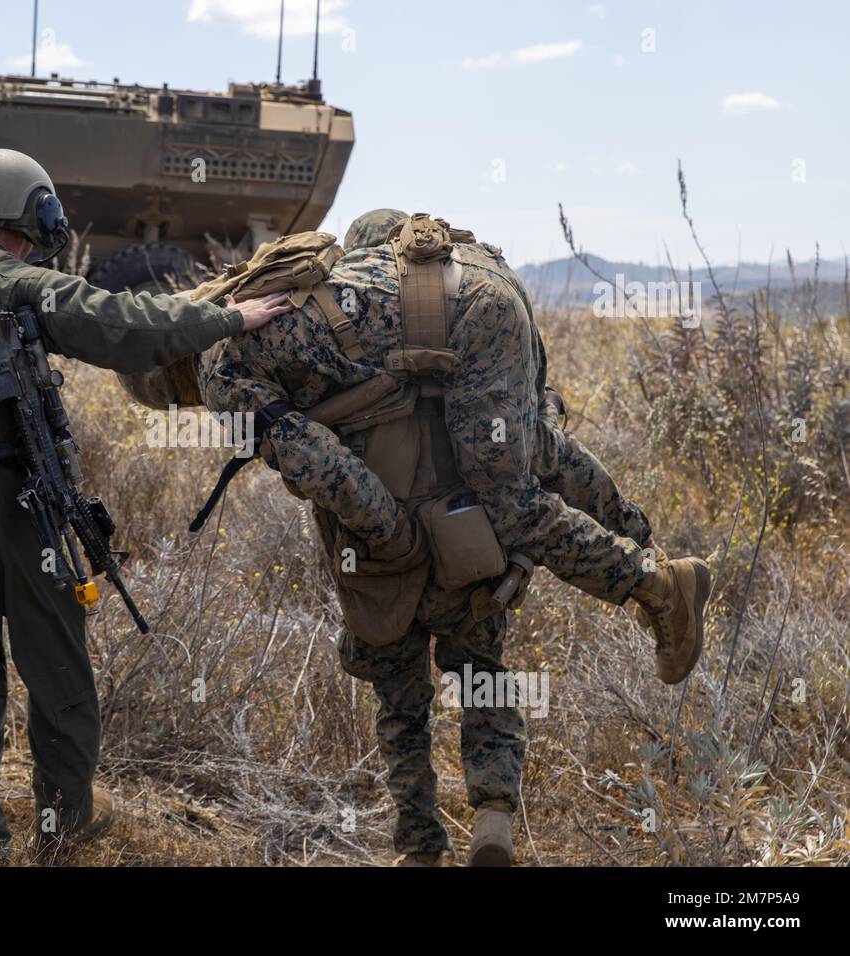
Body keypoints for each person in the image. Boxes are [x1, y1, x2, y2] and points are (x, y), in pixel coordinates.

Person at [194, 208, 709, 867]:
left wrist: (389, 532)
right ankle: (494, 818)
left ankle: (418, 844)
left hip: (385, 559)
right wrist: (636, 531)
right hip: (472, 543)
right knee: (484, 670)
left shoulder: (266, 352)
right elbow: (552, 449)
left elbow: (325, 468)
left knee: (397, 692)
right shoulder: (445, 301)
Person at [0, 148, 289, 863]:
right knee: (57, 672)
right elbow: (122, 326)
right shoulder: (11, 281)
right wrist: (229, 318)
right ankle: (65, 833)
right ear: (35, 214)